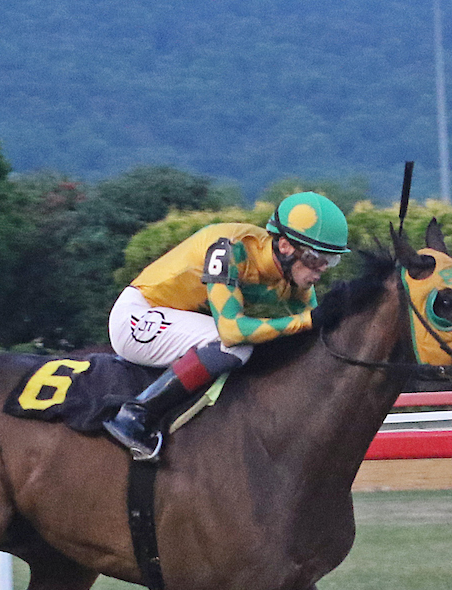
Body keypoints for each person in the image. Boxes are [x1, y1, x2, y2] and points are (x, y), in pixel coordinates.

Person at [104, 191, 350, 462]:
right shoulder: (230, 249)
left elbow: (313, 330)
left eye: (331, 260)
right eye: (315, 257)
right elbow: (232, 331)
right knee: (236, 348)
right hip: (138, 317)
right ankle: (135, 415)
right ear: (284, 247)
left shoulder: (293, 277)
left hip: (173, 318)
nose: (321, 269)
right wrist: (309, 320)